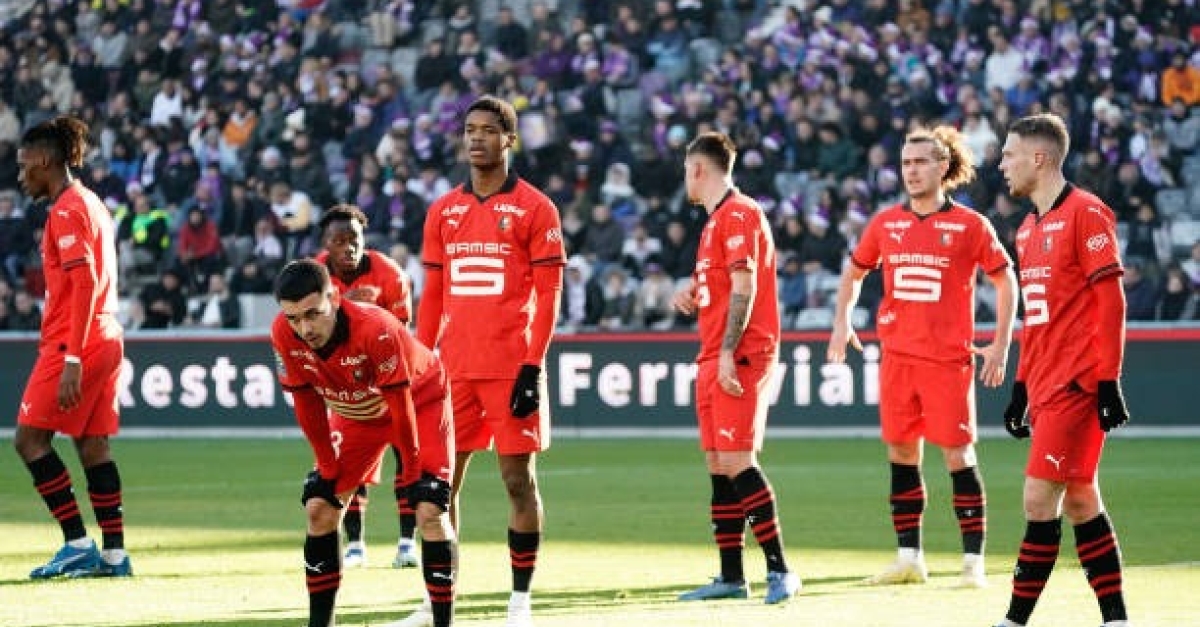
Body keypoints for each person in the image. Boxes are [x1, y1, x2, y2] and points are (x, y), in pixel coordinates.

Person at [827, 125, 1018, 588]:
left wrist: (1000, 342)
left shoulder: (971, 225)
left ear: (944, 166)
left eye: (921, 162)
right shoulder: (885, 223)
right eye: (906, 163)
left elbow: (1005, 280)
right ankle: (909, 557)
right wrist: (841, 322)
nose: (911, 171)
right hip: (896, 359)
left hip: (946, 361)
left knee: (958, 454)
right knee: (900, 454)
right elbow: (853, 275)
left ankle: (972, 564)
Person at [407, 95, 564, 627]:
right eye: (469, 129)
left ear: (509, 140)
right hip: (452, 372)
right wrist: (421, 360)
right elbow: (433, 294)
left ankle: (519, 600)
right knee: (439, 488)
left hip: (510, 368)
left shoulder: (537, 208)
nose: (476, 138)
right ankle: (437, 601)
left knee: (517, 481)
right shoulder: (443, 210)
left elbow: (550, 294)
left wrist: (531, 366)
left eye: (488, 130)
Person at [992, 113, 1132, 627]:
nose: (1001, 164)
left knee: (1038, 496)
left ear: (1039, 158)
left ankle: (1014, 620)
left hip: (1078, 382)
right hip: (1046, 383)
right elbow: (1038, 317)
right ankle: (1116, 620)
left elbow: (1111, 300)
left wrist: (1108, 378)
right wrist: (1021, 387)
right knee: (1079, 498)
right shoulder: (1027, 230)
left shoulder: (1087, 212)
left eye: (1008, 154)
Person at [270, 259, 457, 627]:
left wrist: (414, 472)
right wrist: (325, 468)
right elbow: (307, 403)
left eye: (313, 314)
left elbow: (401, 405)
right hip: (356, 411)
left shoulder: (377, 329)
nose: (304, 328)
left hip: (420, 403)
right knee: (320, 508)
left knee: (430, 510)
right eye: (294, 318)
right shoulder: (283, 334)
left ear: (335, 298)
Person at [671, 131, 801, 605]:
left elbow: (745, 287)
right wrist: (691, 293)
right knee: (718, 465)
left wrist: (728, 350)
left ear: (699, 169)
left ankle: (781, 570)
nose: (684, 179)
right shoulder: (714, 224)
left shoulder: (740, 213)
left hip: (741, 354)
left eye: (686, 170)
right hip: (711, 354)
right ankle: (731, 577)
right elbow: (724, 285)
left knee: (737, 460)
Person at [12, 115, 130, 578]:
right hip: (105, 335)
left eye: (25, 167)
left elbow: (85, 283)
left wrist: (73, 359)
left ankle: (78, 543)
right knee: (92, 447)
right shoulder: (91, 203)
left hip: (73, 342)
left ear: (44, 160)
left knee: (28, 440)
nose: (21, 176)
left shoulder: (66, 210)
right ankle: (115, 556)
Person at [313, 203, 419, 569]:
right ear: (326, 244)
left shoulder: (389, 273)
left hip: (390, 381)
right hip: (346, 386)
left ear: (364, 239)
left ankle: (408, 542)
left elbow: (403, 333)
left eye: (353, 239)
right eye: (338, 241)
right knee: (348, 466)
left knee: (407, 458)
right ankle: (355, 544)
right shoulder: (317, 276)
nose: (347, 248)